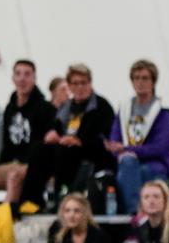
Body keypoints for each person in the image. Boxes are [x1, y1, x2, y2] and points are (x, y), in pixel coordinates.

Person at [0, 59, 53, 217]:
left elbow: (47, 146)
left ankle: (4, 222)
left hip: (33, 165)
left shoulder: (45, 108)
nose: (22, 79)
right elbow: (6, 143)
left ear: (34, 78)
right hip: (12, 162)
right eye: (18, 74)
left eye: (27, 74)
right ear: (13, 78)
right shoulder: (10, 108)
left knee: (14, 177)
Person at [29, 64, 115, 205]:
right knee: (39, 150)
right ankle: (33, 201)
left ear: (90, 83)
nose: (80, 87)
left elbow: (105, 137)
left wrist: (79, 141)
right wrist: (53, 134)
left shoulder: (101, 105)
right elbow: (56, 128)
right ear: (69, 86)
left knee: (66, 151)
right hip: (65, 148)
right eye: (75, 83)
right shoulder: (66, 106)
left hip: (93, 152)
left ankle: (62, 199)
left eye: (83, 83)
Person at [105, 59, 169, 206]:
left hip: (155, 164)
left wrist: (127, 149)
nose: (140, 82)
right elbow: (114, 139)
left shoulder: (163, 112)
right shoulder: (124, 109)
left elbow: (160, 147)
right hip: (127, 163)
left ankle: (133, 213)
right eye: (136, 78)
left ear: (153, 81)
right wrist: (116, 149)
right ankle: (133, 213)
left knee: (135, 169)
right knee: (126, 165)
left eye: (145, 78)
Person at [48, 192, 114, 243]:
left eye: (77, 211)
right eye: (67, 211)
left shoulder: (101, 237)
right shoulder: (59, 238)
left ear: (85, 213)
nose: (71, 215)